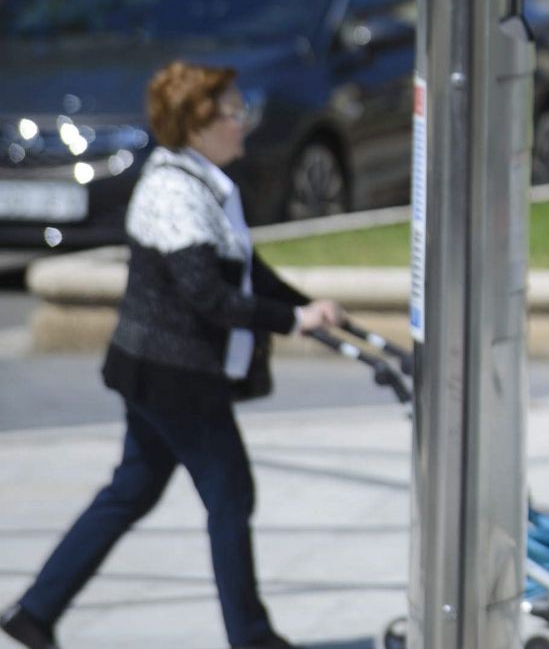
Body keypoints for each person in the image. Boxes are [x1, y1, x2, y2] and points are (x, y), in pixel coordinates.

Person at [1, 62, 348, 649]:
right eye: (234, 115)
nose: (244, 125)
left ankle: (35, 613)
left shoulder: (205, 183)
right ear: (198, 125)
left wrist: (310, 307)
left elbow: (246, 273)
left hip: (159, 371)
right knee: (230, 493)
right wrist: (293, 320)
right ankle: (252, 637)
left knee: (133, 489)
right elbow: (209, 296)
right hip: (174, 377)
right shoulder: (172, 191)